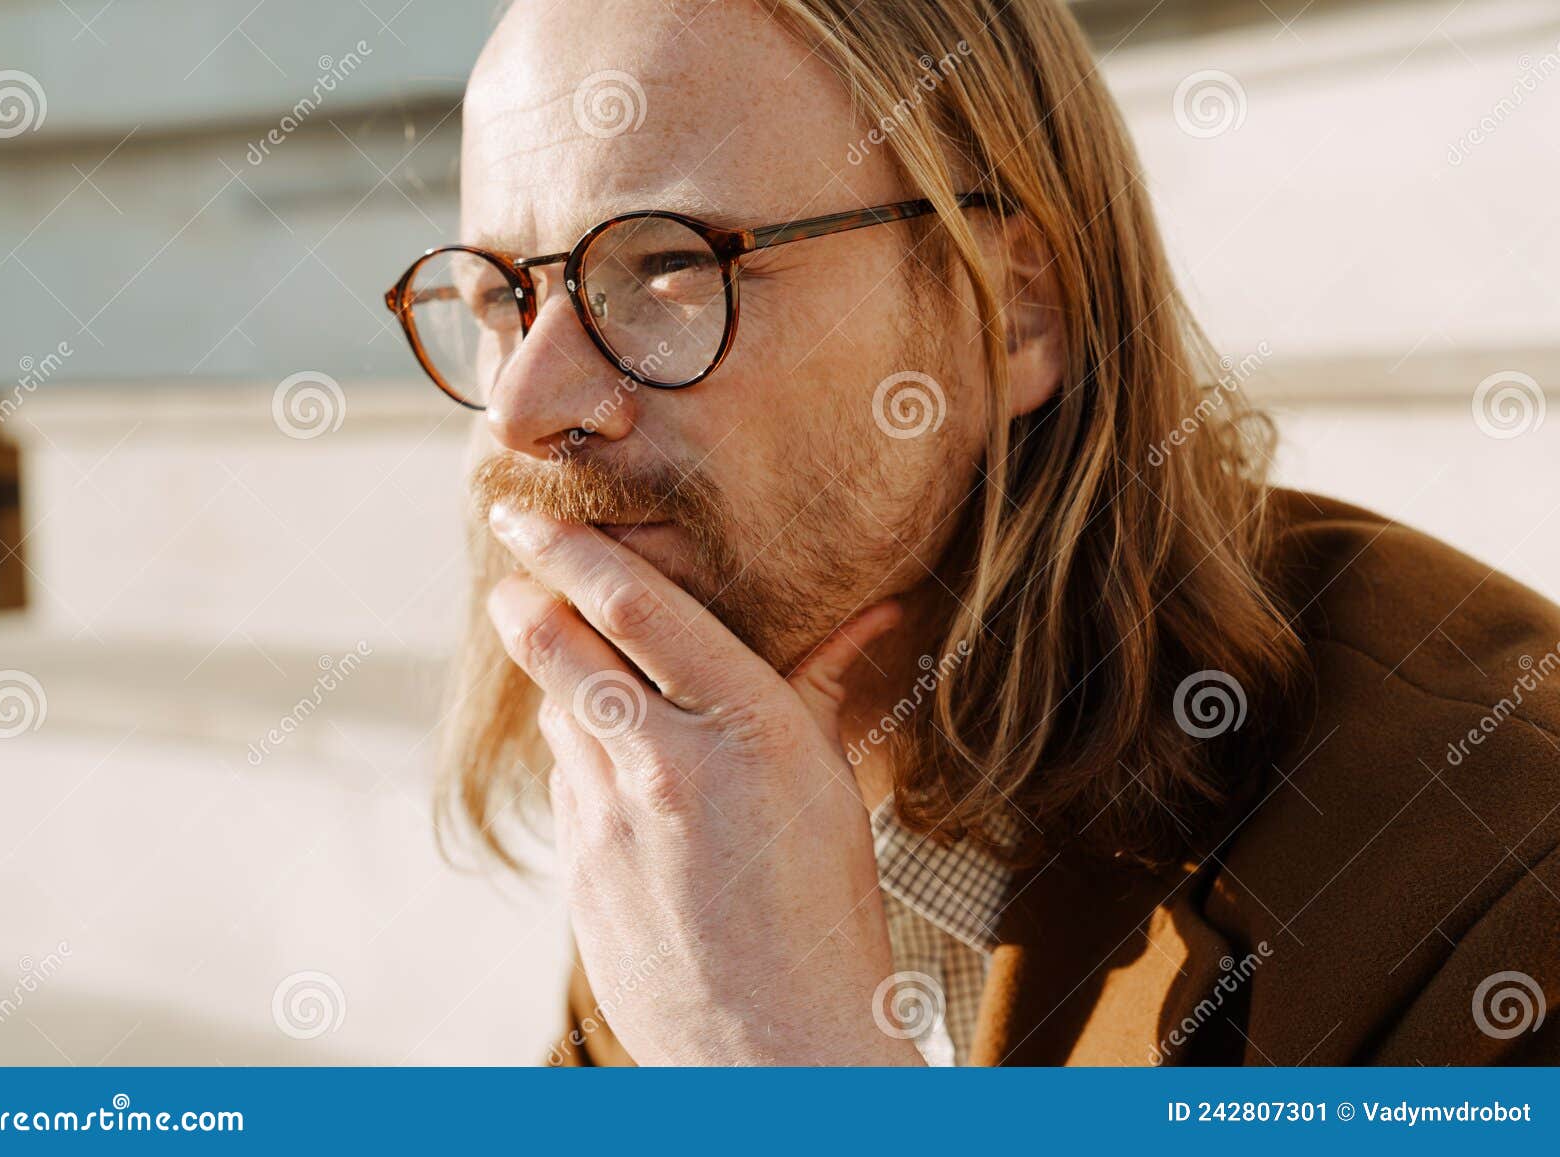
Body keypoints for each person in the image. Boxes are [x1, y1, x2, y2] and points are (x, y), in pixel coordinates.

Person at [384, 0, 1560, 1065]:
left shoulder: (1498, 866)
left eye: (666, 264)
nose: (526, 407)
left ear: (1014, 313)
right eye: (501, 296)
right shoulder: (687, 773)